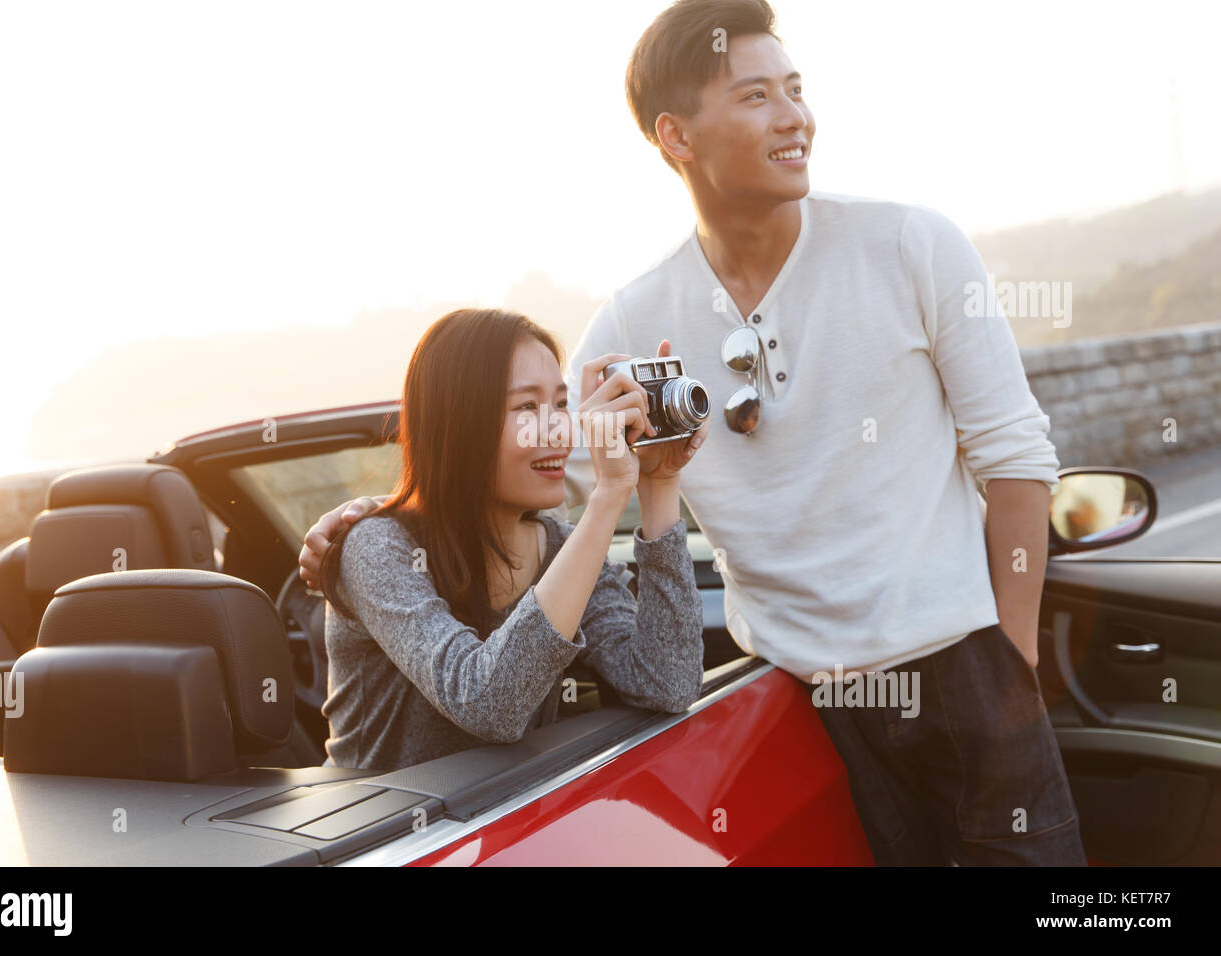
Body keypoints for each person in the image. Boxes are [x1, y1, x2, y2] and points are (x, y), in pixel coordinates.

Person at [302, 0, 1085, 865]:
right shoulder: (631, 322)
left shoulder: (909, 244)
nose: (795, 117)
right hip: (802, 708)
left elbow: (1015, 460)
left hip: (968, 670)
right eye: (756, 96)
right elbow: (523, 467)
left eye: (796, 89)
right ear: (676, 137)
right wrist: (380, 520)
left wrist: (1013, 668)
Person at [318, 307, 707, 771]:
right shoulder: (379, 548)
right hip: (383, 833)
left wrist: (658, 484)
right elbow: (487, 705)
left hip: (508, 830)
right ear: (458, 426)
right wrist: (606, 499)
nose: (559, 430)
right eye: (527, 407)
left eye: (562, 405)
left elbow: (667, 683)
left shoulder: (561, 548)